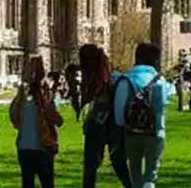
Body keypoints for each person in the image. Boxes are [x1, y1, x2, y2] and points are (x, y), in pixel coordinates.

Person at [113, 42, 173, 188]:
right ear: (156, 61)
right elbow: (160, 109)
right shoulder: (159, 80)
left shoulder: (125, 80)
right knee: (150, 175)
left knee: (135, 173)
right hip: (155, 133)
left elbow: (119, 112)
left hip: (132, 133)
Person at [77, 44, 132, 188]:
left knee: (95, 166)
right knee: (115, 162)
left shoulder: (102, 78)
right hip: (105, 124)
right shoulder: (104, 78)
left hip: (104, 124)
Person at [11, 56, 65, 188]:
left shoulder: (45, 96)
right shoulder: (21, 96)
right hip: (26, 149)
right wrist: (21, 97)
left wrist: (44, 102)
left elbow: (58, 121)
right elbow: (15, 120)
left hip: (43, 148)